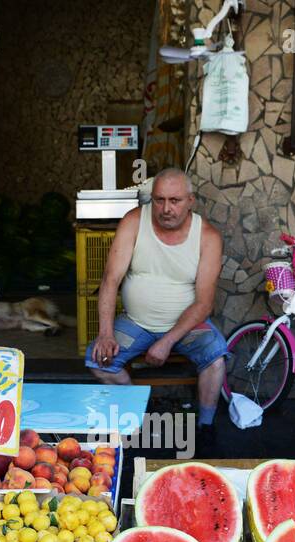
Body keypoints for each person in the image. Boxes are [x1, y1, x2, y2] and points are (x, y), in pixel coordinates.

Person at [86, 168, 227, 446]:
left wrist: (167, 341)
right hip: (136, 322)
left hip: (187, 327)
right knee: (99, 360)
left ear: (190, 201)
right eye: (159, 200)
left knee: (216, 357)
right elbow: (110, 280)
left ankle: (206, 427)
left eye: (174, 201)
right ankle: (140, 416)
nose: (165, 209)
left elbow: (204, 303)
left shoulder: (207, 236)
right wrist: (105, 333)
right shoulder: (134, 222)